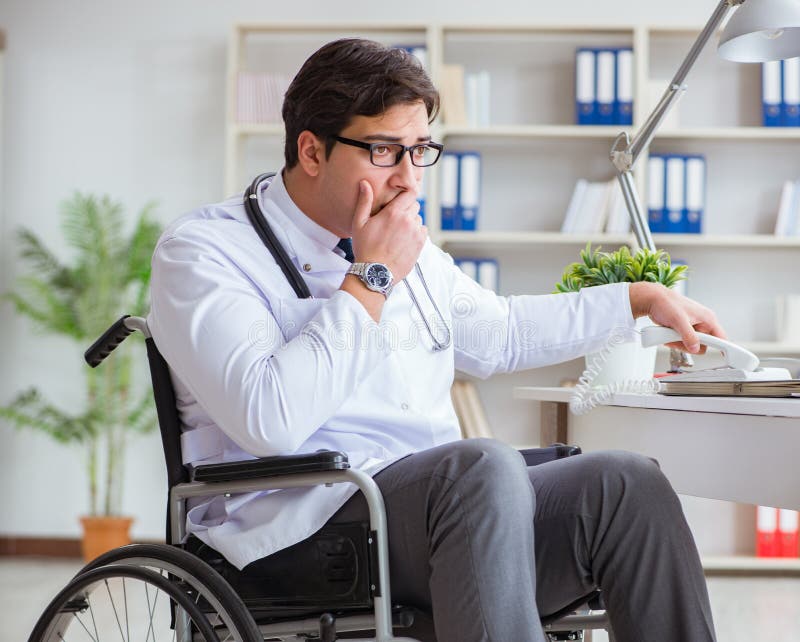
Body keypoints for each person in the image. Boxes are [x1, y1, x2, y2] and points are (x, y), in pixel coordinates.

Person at [148, 38, 721, 642]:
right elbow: (269, 418)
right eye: (384, 151)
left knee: (629, 485)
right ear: (311, 150)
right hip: (298, 528)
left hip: (447, 512)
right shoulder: (206, 252)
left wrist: (633, 299)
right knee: (480, 466)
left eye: (420, 151)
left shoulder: (404, 246)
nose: (408, 179)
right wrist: (371, 277)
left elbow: (500, 334)